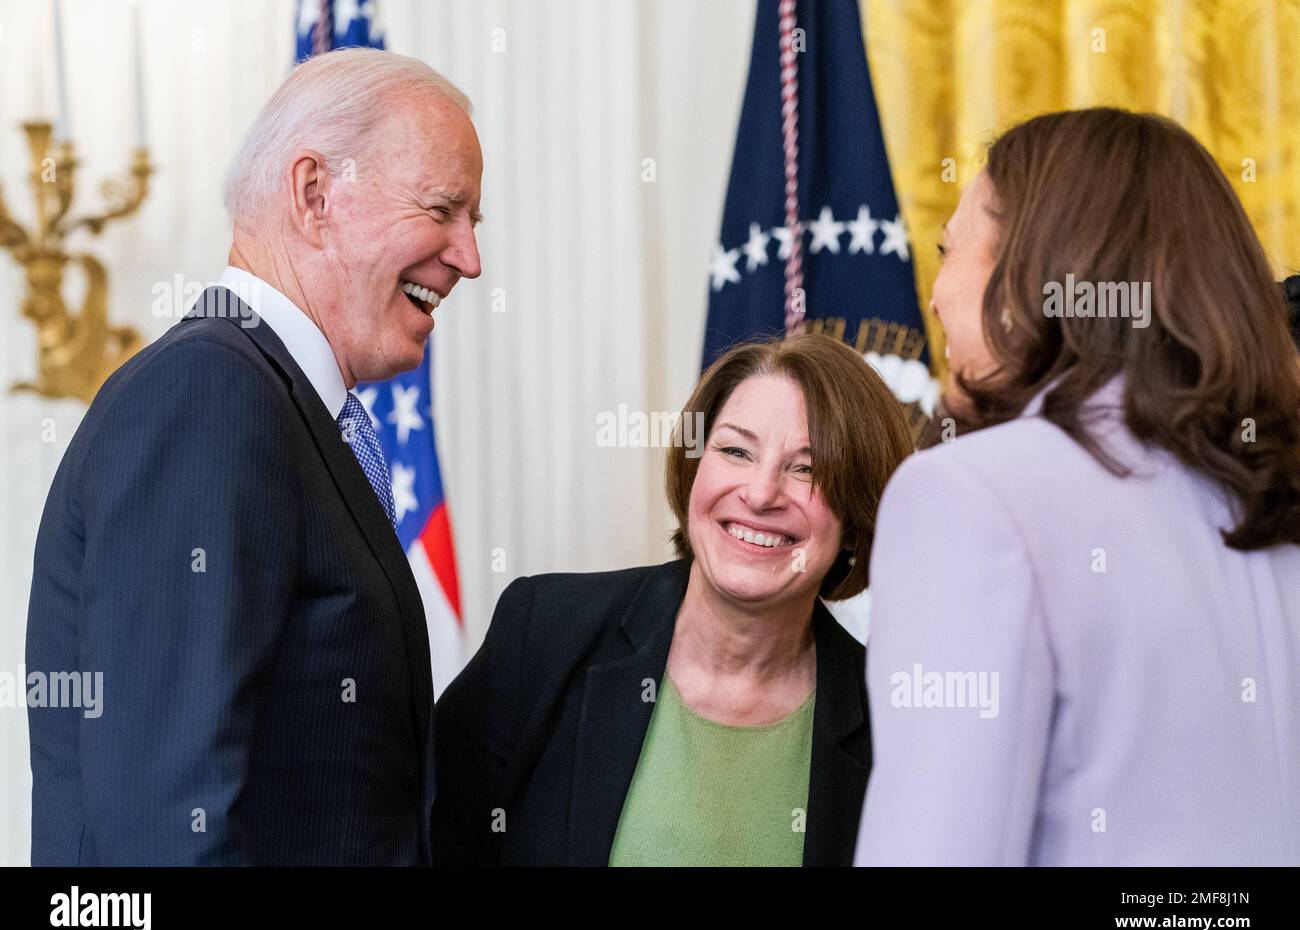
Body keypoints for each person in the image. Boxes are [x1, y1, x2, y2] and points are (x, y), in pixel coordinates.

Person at [26, 48, 482, 865]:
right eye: (443, 208)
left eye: (472, 222)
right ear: (314, 195)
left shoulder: (276, 402)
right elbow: (163, 828)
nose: (469, 258)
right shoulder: (211, 393)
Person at [855, 107, 1300, 866]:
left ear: (1030, 269)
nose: (933, 298)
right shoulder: (1271, 492)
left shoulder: (965, 497)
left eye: (949, 249)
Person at [432, 334, 912, 865]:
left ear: (853, 522)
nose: (760, 493)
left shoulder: (892, 725)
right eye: (735, 450)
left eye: (807, 468)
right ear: (693, 468)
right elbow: (426, 840)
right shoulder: (543, 633)